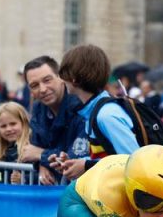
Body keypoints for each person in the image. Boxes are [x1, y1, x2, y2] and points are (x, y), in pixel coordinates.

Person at [50, 44, 140, 182]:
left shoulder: (106, 115)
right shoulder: (93, 111)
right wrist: (75, 163)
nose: (62, 81)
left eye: (64, 74)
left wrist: (86, 165)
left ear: (74, 79)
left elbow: (135, 161)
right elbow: (107, 156)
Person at [22, 55, 84, 185]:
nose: (43, 89)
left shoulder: (81, 107)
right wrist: (42, 165)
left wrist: (41, 155)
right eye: (34, 85)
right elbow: (30, 152)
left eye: (47, 80)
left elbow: (74, 158)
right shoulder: (38, 109)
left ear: (61, 78)